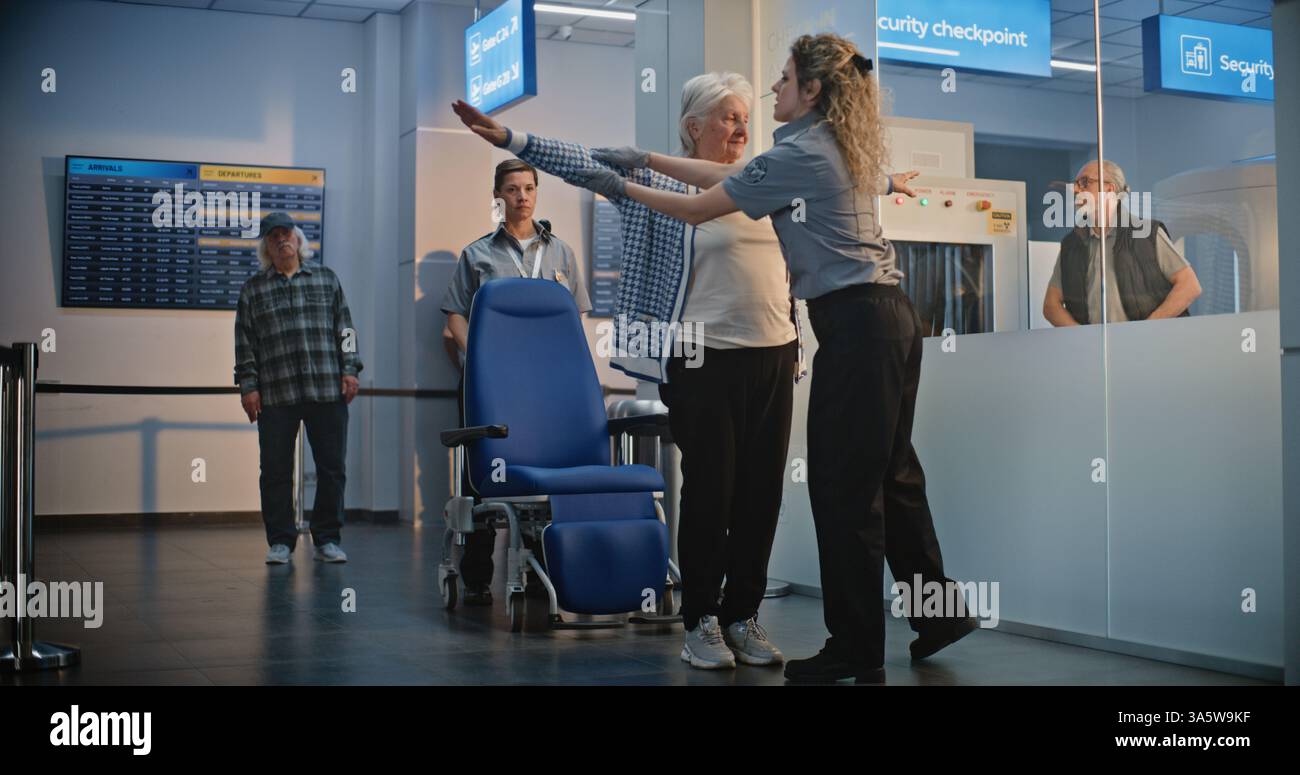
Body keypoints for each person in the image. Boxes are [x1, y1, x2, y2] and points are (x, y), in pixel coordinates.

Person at [567, 34, 975, 684]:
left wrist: (625, 181)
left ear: (811, 90)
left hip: (854, 327)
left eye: (783, 79)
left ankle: (855, 646)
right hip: (886, 319)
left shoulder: (801, 151)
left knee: (844, 488)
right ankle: (938, 611)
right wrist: (644, 160)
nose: (772, 91)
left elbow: (702, 204)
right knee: (891, 473)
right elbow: (727, 182)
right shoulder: (833, 144)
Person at [453, 72, 800, 671]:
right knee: (712, 492)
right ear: (693, 126)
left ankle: (742, 616)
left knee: (761, 495)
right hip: (702, 356)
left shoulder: (761, 180)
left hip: (775, 351)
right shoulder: (660, 181)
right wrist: (511, 138)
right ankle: (702, 621)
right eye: (728, 117)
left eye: (746, 117)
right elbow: (586, 165)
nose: (742, 127)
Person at [440, 158, 590, 606]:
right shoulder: (477, 254)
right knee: (482, 475)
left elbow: (575, 319)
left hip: (546, 387)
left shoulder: (562, 253)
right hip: (490, 385)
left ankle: (545, 571)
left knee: (546, 471)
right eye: (512, 189)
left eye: (528, 188)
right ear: (498, 196)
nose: (522, 197)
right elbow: (454, 317)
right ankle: (477, 577)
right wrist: (480, 357)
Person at [234, 211, 361, 565]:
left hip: (327, 389)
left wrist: (350, 369)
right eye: (273, 235)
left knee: (332, 468)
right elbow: (244, 343)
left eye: (286, 233)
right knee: (275, 471)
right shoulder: (253, 289)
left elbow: (346, 330)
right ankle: (280, 541)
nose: (281, 239)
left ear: (297, 237)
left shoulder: (326, 279)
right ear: (266, 246)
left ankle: (327, 539)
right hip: (276, 394)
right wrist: (248, 387)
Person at [1043, 159, 1201, 326]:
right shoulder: (1071, 244)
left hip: (1148, 342)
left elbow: (1189, 286)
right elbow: (1051, 305)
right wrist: (1083, 337)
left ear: (1110, 189)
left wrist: (1146, 331)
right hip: (1096, 344)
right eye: (1075, 184)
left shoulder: (1146, 234)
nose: (1075, 190)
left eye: (1084, 182)